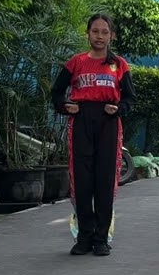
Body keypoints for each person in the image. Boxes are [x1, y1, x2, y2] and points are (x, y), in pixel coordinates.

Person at [51, 14, 135, 257]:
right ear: (87, 33)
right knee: (82, 181)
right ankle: (83, 237)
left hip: (108, 122)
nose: (99, 36)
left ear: (112, 36)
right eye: (95, 31)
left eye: (104, 32)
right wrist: (66, 106)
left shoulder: (119, 65)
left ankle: (101, 239)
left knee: (105, 181)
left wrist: (118, 108)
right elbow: (57, 92)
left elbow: (130, 98)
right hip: (81, 122)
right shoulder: (75, 63)